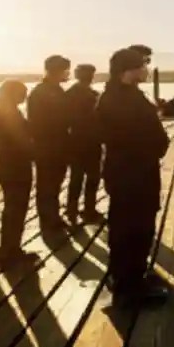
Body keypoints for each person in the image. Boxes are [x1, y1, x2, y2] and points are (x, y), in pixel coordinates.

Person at [98, 47, 170, 308]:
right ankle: (128, 286)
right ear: (128, 70)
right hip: (132, 174)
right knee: (131, 227)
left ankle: (131, 275)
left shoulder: (124, 95)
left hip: (134, 172)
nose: (146, 69)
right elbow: (128, 137)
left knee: (135, 226)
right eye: (142, 65)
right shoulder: (119, 100)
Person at [0, 80, 39, 266]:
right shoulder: (10, 115)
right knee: (15, 209)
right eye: (22, 92)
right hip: (15, 167)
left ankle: (10, 248)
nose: (25, 96)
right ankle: (9, 251)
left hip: (6, 165)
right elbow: (22, 141)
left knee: (14, 209)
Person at [27, 54, 72, 233]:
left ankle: (54, 216)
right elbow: (37, 122)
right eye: (65, 70)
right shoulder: (40, 92)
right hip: (47, 146)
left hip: (59, 145)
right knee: (47, 184)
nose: (67, 73)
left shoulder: (57, 90)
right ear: (56, 71)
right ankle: (47, 221)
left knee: (55, 184)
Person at [65, 64, 105, 227]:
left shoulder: (71, 95)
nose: (89, 76)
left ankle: (84, 209)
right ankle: (78, 210)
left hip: (87, 141)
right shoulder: (84, 95)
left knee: (89, 177)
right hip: (80, 141)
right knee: (80, 178)